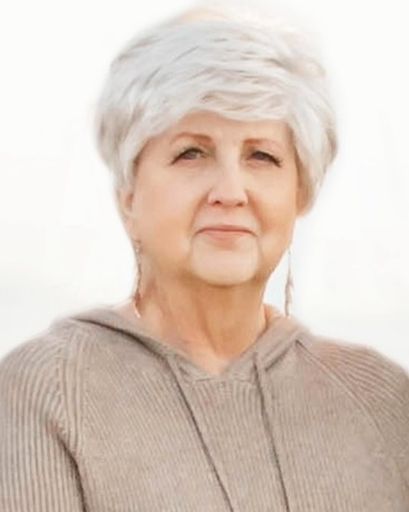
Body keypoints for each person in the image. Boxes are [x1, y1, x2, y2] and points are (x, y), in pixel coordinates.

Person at [1, 2, 409, 511]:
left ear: (300, 193)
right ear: (129, 196)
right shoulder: (48, 391)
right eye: (191, 153)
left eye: (262, 156)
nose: (230, 192)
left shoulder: (382, 401)